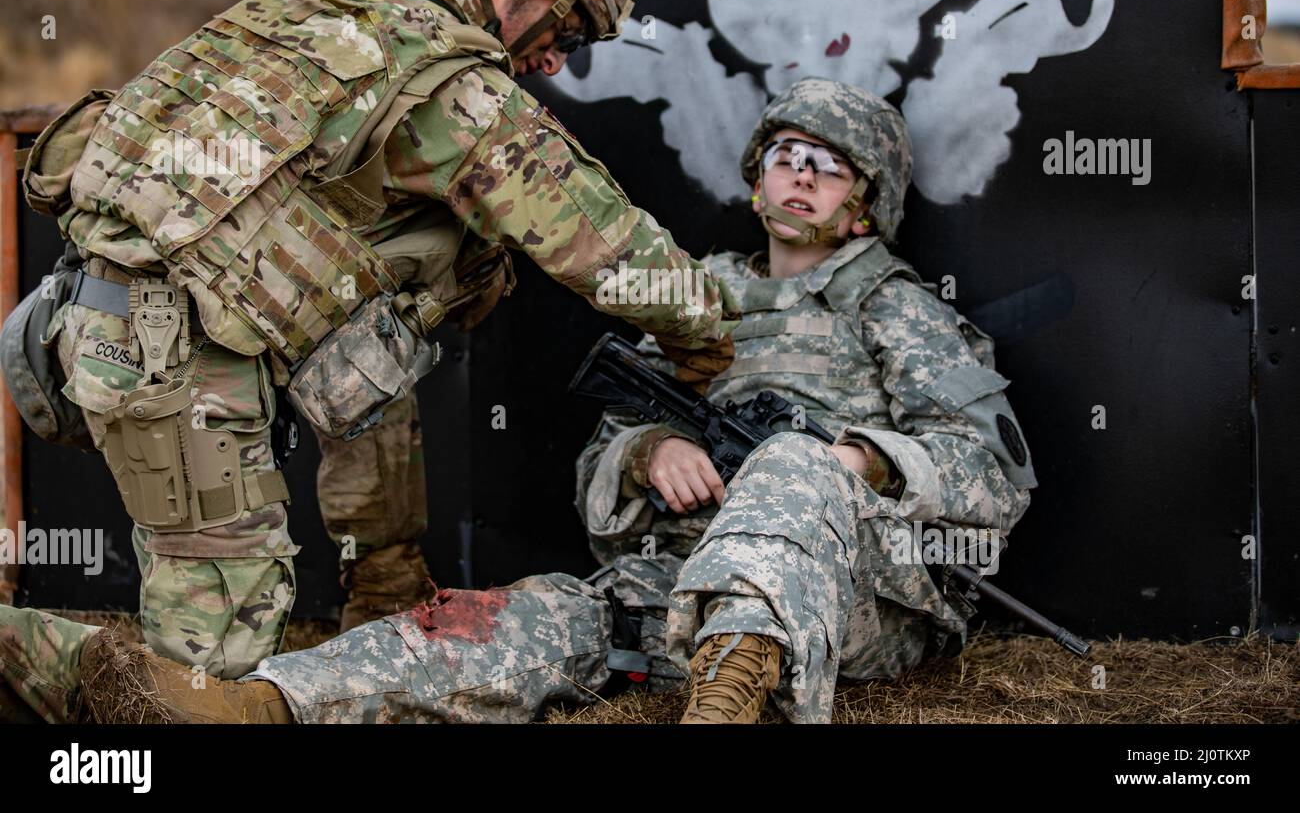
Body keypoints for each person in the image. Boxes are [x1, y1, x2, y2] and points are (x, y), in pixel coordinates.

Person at [0, 77, 1037, 725]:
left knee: (794, 460)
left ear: (868, 199)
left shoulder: (888, 305)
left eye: (831, 168)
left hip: (853, 603)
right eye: (786, 157)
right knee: (506, 619)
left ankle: (730, 694)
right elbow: (601, 463)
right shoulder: (694, 292)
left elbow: (993, 473)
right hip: (669, 587)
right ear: (756, 172)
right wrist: (645, 454)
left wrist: (854, 459)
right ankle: (256, 702)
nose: (802, 179)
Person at [9, 0, 736, 688]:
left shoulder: (320, 7)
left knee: (390, 318)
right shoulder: (457, 89)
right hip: (175, 357)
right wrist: (712, 339)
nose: (558, 63)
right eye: (566, 30)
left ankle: (385, 592)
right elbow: (607, 245)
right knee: (202, 677)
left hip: (94, 314)